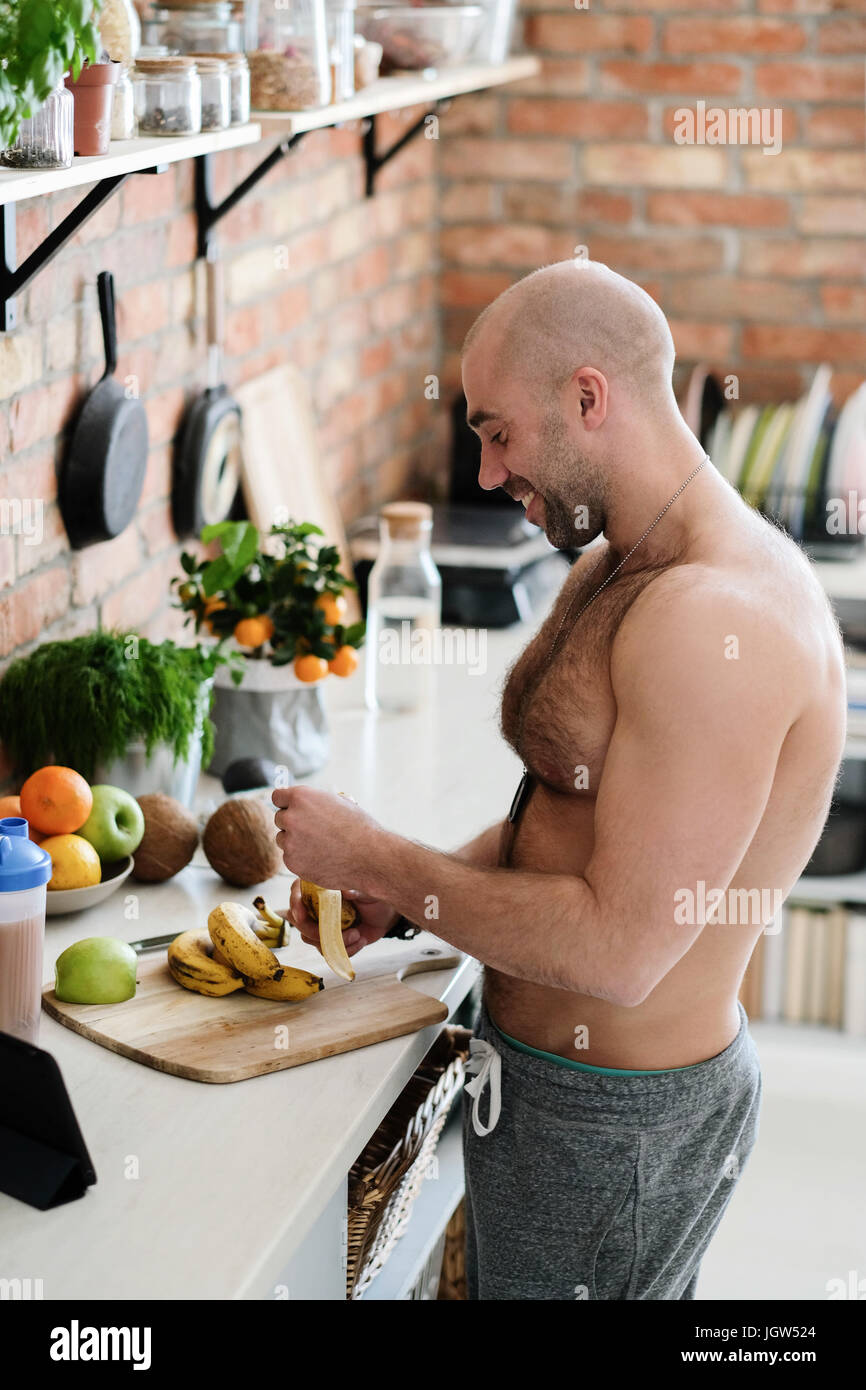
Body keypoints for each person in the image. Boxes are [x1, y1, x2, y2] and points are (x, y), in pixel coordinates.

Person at [274, 260, 846, 1300]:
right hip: (544, 1090)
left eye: (496, 434)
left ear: (587, 398)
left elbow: (619, 948)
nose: (485, 474)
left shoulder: (714, 619)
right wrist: (405, 891)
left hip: (614, 1125)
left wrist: (373, 851)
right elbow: (558, 829)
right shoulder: (613, 567)